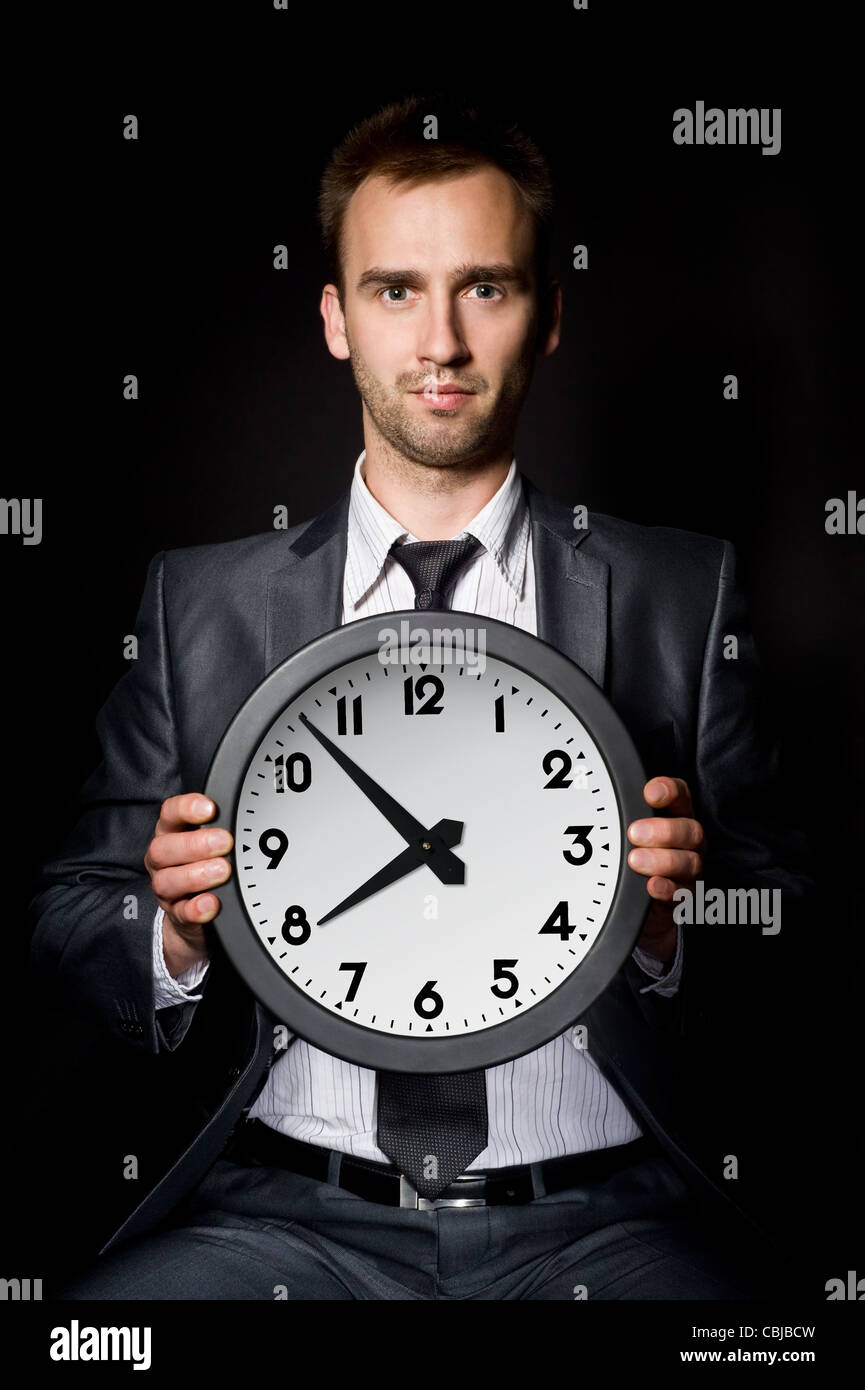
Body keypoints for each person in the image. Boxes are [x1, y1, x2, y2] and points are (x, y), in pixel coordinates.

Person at [31, 94, 811, 1300]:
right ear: (337, 319)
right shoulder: (200, 605)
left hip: (604, 1225)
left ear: (548, 314)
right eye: (396, 290)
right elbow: (70, 909)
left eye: (485, 287)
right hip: (281, 1220)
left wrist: (674, 929)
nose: (440, 341)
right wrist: (175, 934)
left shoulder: (679, 589)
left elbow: (793, 926)